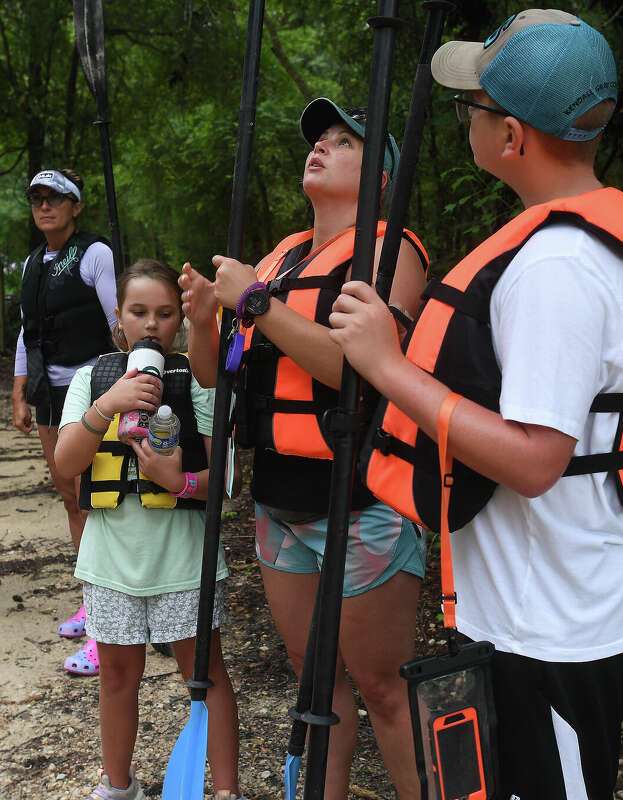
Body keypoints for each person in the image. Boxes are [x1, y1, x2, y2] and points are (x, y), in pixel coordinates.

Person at [328, 11, 623, 799]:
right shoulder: (562, 240)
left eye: (471, 109)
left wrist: (385, 365)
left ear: (511, 137)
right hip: (537, 609)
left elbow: (534, 459)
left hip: (554, 624)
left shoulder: (558, 266)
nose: (466, 124)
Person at [180, 98, 429, 799]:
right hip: (280, 500)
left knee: (382, 686)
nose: (320, 146)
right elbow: (216, 375)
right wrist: (205, 320)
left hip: (361, 500)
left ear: (379, 177)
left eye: (343, 142)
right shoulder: (282, 257)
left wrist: (257, 302)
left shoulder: (392, 250)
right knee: (311, 675)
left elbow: (364, 372)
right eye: (318, 139)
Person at [53, 258, 243, 800]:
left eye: (164, 313)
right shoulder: (93, 378)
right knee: (116, 676)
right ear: (119, 318)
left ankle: (226, 790)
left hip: (182, 560)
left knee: (204, 676)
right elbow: (67, 465)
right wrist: (107, 406)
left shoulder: (197, 379)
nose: (152, 324)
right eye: (139, 312)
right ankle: (118, 784)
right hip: (112, 560)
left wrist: (176, 479)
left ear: (178, 322)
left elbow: (225, 480)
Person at [12, 168, 118, 670]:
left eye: (55, 198)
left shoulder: (95, 254)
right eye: (36, 199)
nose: (45, 206)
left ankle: (107, 619)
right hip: (49, 393)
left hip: (92, 389)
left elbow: (120, 318)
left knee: (99, 497)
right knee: (70, 495)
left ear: (76, 206)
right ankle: (91, 598)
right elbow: (26, 333)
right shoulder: (32, 263)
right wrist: (18, 393)